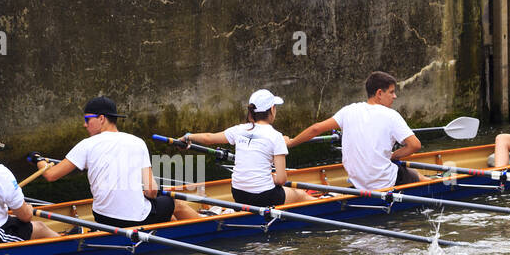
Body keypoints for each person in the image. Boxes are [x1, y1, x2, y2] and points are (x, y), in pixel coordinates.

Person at [38, 96, 201, 228]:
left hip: (103, 220)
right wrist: (146, 193)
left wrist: (38, 160)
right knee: (174, 203)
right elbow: (151, 191)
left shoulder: (86, 145)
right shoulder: (138, 142)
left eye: (87, 119)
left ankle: (171, 226)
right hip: (136, 220)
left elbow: (50, 174)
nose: (84, 124)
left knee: (160, 208)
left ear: (101, 119)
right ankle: (204, 229)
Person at [175, 89, 315, 207]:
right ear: (272, 110)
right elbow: (281, 180)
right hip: (264, 197)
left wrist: (188, 136)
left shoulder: (239, 130)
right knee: (300, 195)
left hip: (238, 194)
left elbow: (208, 138)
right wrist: (268, 177)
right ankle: (330, 206)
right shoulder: (276, 136)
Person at [286, 71, 423, 190]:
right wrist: (394, 156)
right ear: (379, 93)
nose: (395, 97)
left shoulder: (348, 110)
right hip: (384, 181)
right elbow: (415, 145)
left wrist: (290, 143)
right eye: (392, 92)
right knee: (418, 177)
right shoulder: (391, 115)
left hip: (359, 182)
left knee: (405, 171)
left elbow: (315, 129)